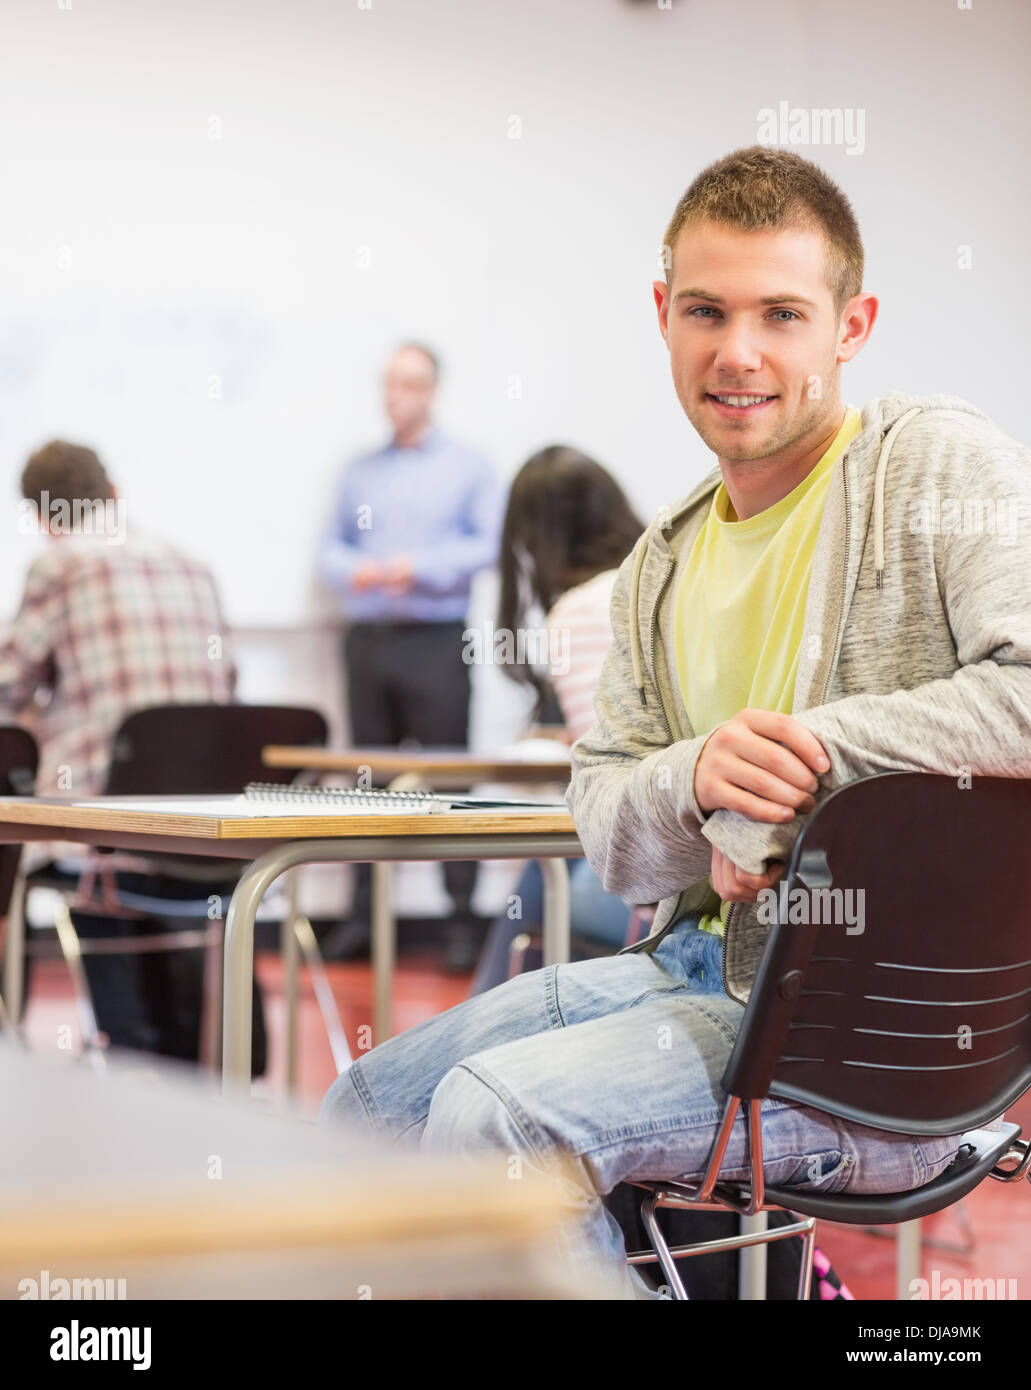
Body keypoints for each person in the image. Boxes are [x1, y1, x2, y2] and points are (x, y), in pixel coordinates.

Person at [321, 146, 1031, 1297]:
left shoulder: (930, 466)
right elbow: (607, 826)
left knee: (493, 1123)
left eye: (781, 314)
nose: (736, 351)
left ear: (850, 326)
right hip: (693, 972)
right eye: (705, 309)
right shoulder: (659, 559)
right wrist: (699, 774)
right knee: (360, 1111)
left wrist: (805, 767)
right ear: (662, 314)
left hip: (872, 1041)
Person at [0, 440, 265, 1069]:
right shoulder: (193, 564)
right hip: (211, 843)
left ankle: (122, 1054)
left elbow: (8, 686)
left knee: (62, 823)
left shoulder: (58, 567)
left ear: (42, 518)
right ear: (113, 493)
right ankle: (180, 1058)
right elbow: (226, 686)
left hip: (108, 844)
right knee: (135, 836)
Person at [319, 343, 503, 970]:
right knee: (366, 782)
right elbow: (330, 552)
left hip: (435, 640)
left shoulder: (468, 466)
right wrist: (363, 574)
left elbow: (487, 545)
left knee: (451, 778)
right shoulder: (358, 472)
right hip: (369, 642)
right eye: (389, 383)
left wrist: (413, 569)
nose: (395, 395)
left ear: (431, 391)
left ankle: (458, 926)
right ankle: (363, 923)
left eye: (408, 384)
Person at [469, 445, 644, 995]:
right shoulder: (664, 581)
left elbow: (605, 764)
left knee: (545, 864)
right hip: (722, 856)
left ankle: (476, 1035)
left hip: (645, 877)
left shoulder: (577, 612)